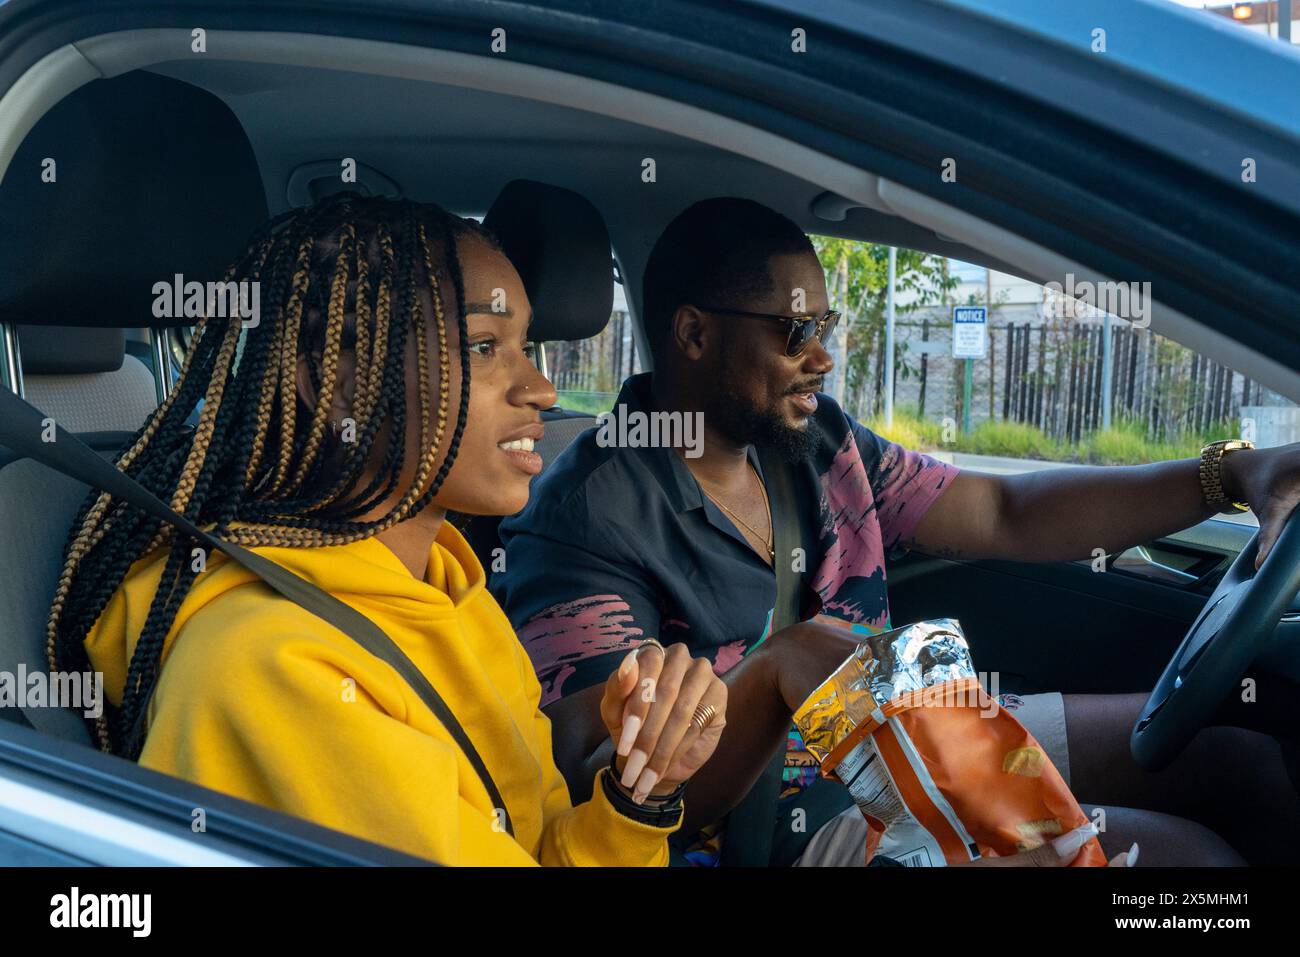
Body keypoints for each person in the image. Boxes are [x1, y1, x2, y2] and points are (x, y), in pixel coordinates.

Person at [494, 197, 1300, 866]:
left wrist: (1228, 475)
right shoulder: (584, 517)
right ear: (697, 334)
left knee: (1244, 763)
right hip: (785, 826)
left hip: (917, 723)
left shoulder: (818, 444)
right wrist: (781, 677)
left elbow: (1003, 511)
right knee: (1189, 867)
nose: (825, 357)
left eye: (828, 326)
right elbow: (615, 777)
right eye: (796, 331)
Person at [48, 195, 727, 866]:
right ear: (338, 386)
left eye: (526, 347)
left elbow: (534, 846)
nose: (541, 390)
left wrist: (643, 789)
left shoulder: (451, 588)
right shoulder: (273, 670)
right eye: (486, 346)